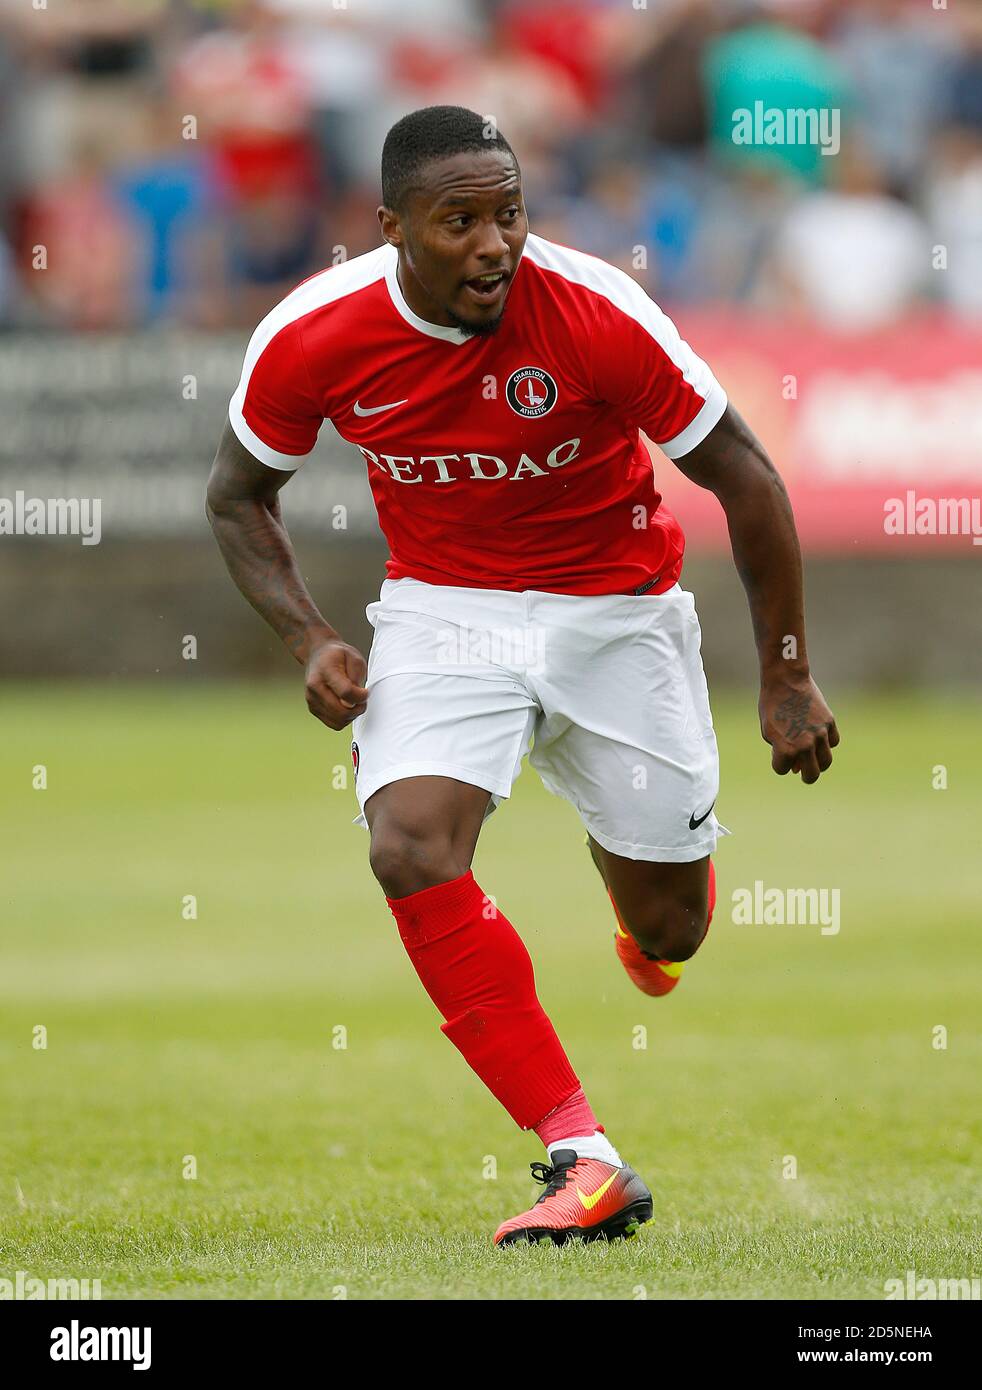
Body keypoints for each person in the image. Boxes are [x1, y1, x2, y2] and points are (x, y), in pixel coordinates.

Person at [206, 105, 839, 1247]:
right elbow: (238, 495)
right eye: (462, 221)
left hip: (619, 616)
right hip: (446, 611)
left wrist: (786, 676)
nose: (496, 243)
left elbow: (746, 478)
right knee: (405, 844)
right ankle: (582, 1154)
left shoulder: (595, 311)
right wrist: (311, 638)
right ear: (391, 226)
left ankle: (638, 915)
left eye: (510, 213)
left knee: (677, 927)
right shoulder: (311, 334)